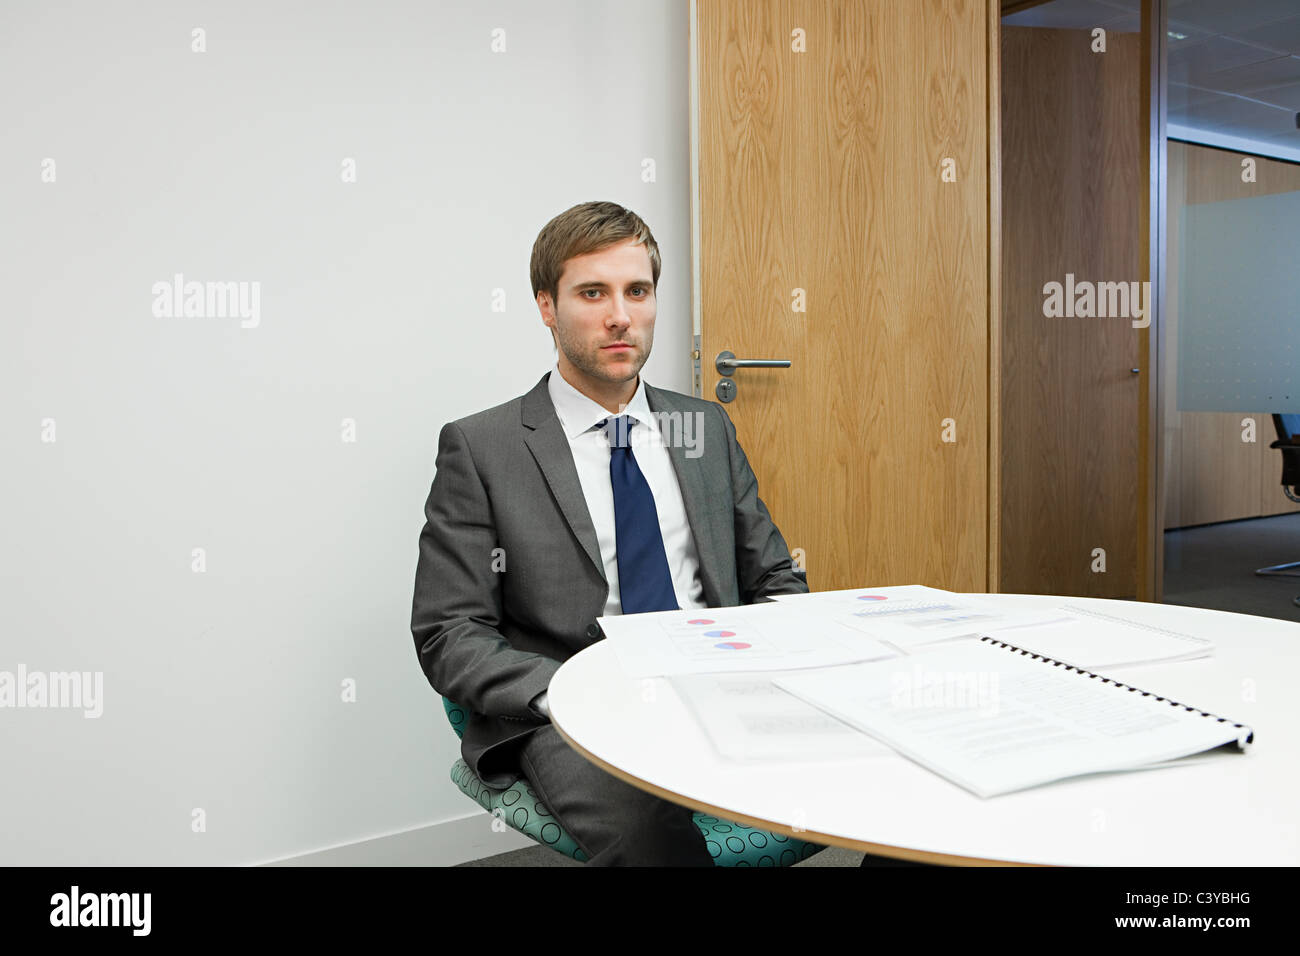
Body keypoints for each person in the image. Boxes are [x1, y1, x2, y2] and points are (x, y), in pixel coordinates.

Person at [410, 200, 807, 865]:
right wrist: (571, 692)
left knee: (910, 778)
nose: (620, 315)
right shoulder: (483, 448)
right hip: (571, 708)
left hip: (717, 683)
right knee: (653, 845)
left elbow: (773, 578)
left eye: (637, 291)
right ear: (546, 305)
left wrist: (794, 654)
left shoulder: (703, 430)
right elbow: (449, 632)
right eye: (592, 292)